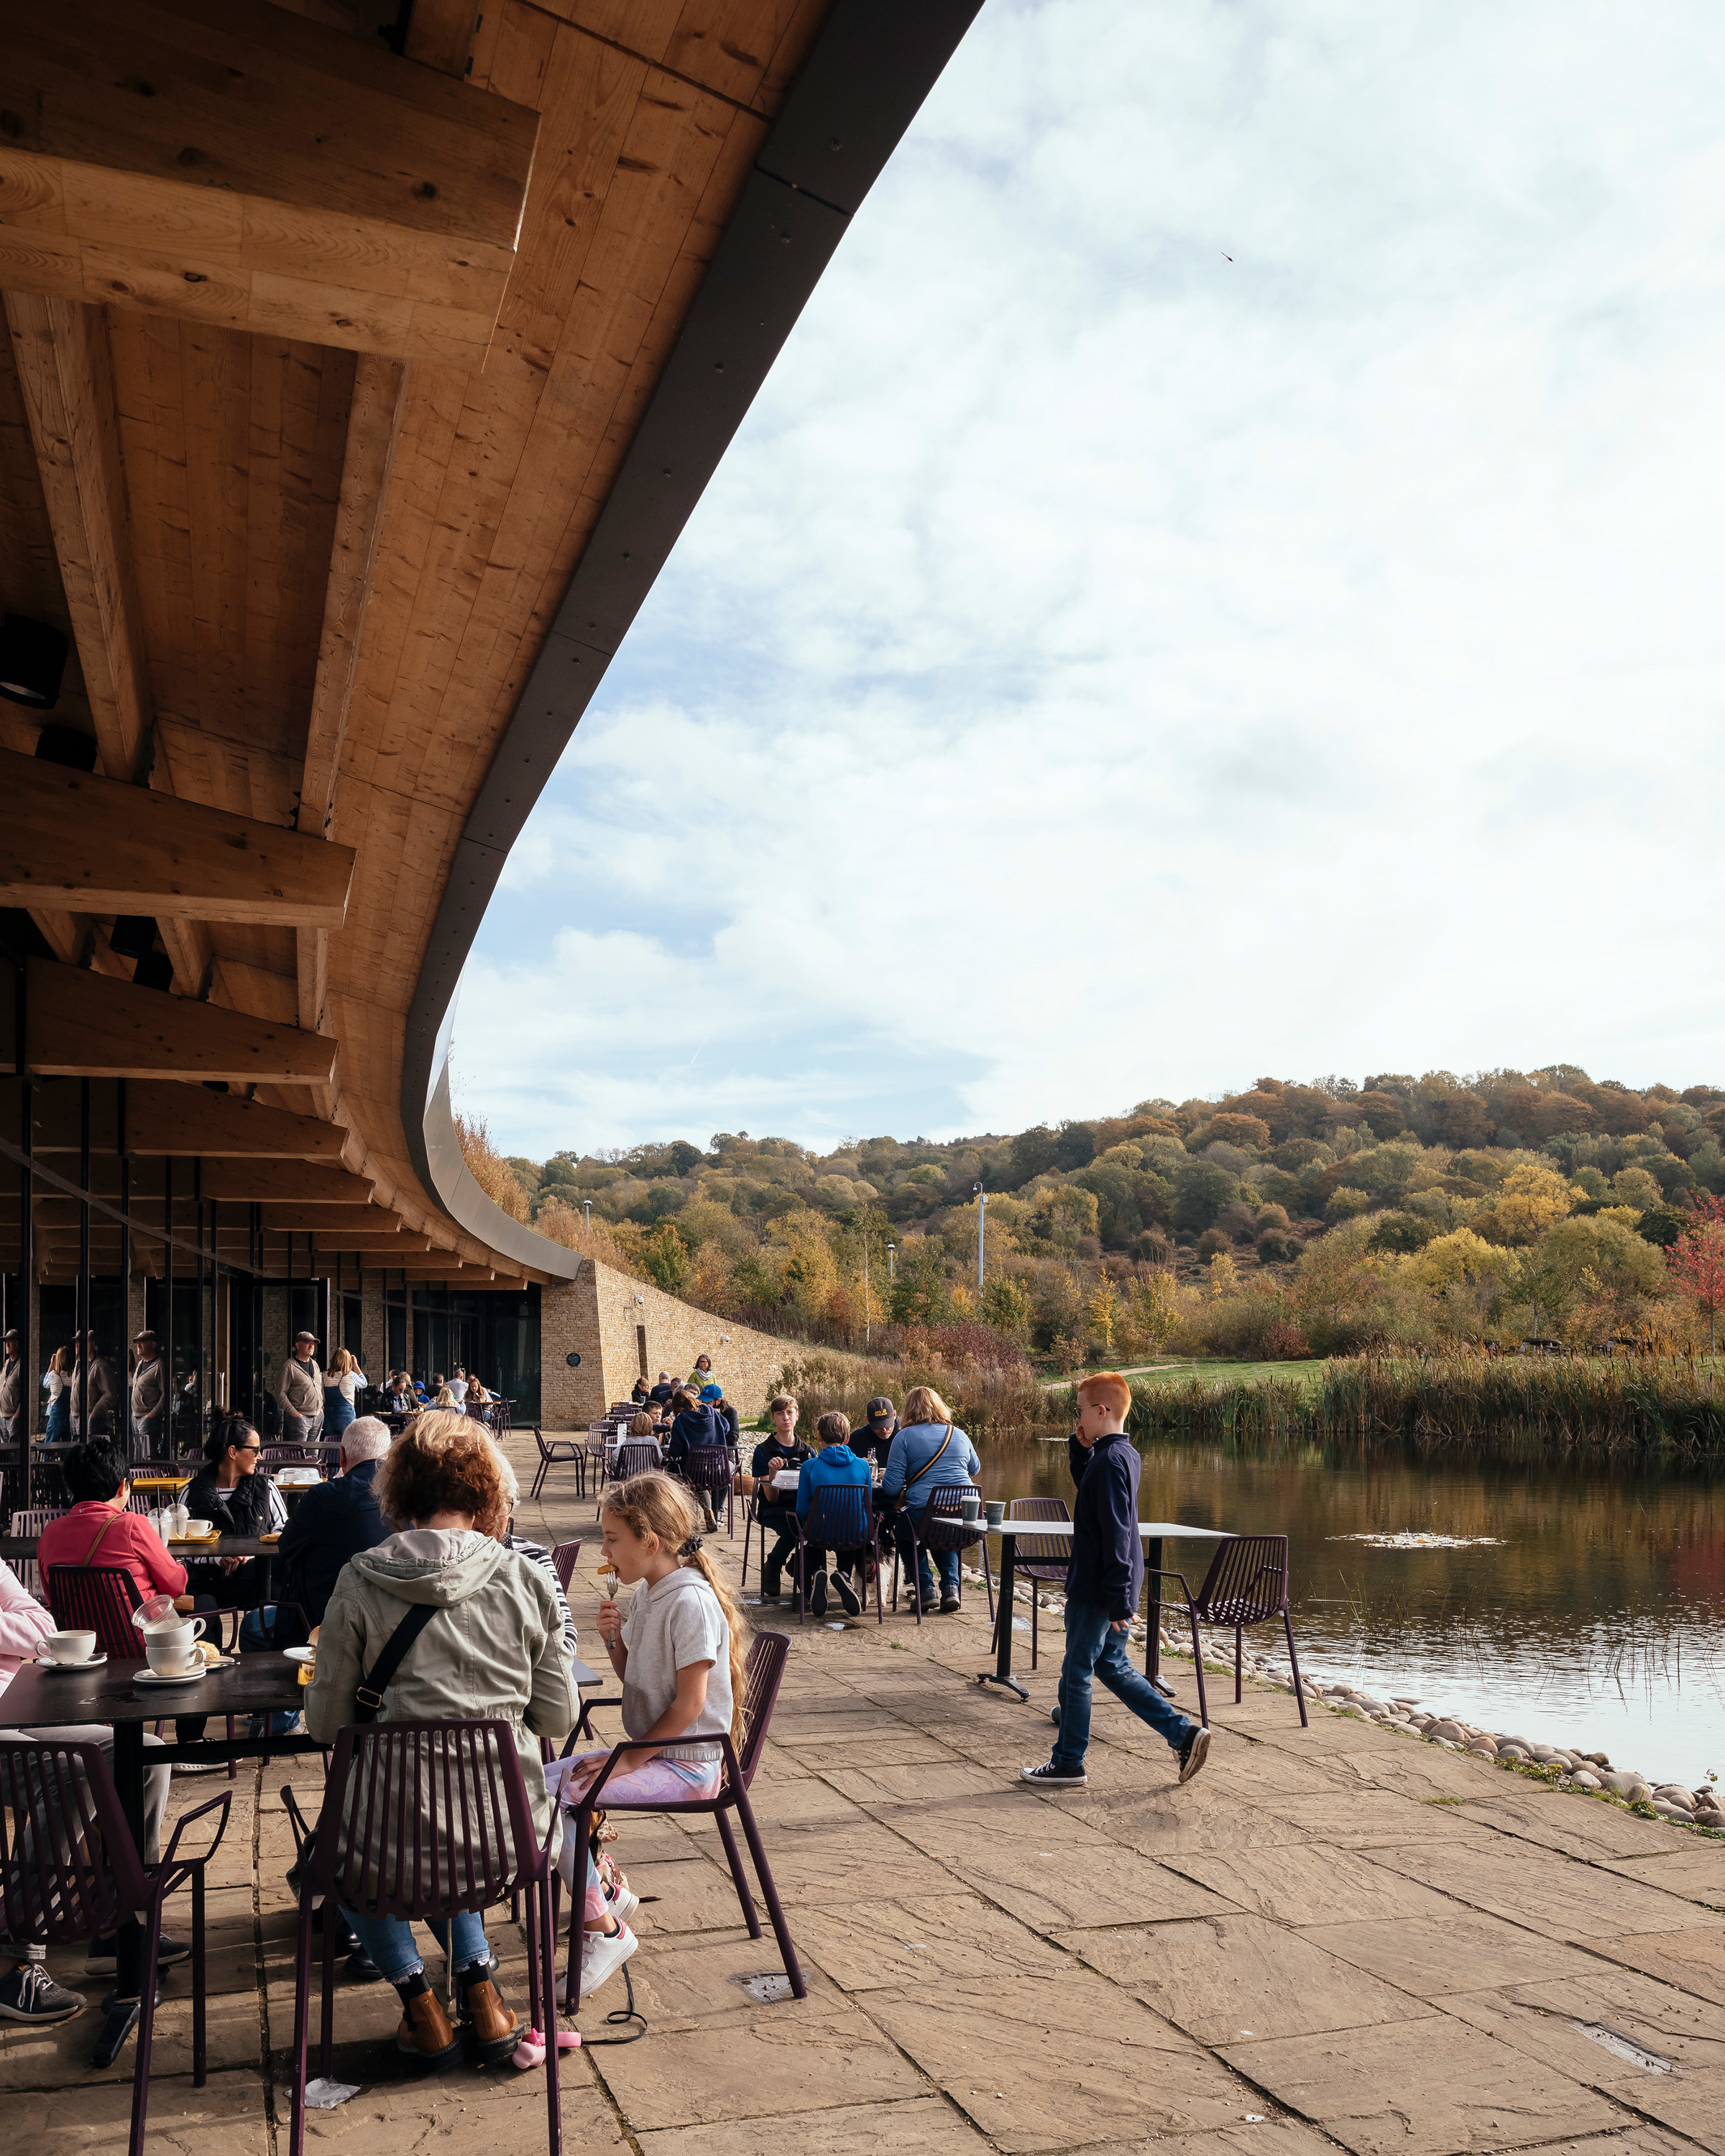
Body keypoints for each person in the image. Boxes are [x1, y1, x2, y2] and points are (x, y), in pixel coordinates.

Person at [305, 1411, 579, 2067]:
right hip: (505, 1842)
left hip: (391, 1842)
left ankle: (421, 2005)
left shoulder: (359, 1578)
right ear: (487, 1492)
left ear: (397, 1492)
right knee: (448, 1822)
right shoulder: (525, 1578)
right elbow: (559, 1718)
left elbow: (324, 1726)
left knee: (348, 1846)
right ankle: (481, 1992)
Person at [550, 1473, 745, 2000]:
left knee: (561, 1796)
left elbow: (690, 1704)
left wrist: (628, 1761)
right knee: (537, 1781)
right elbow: (642, 1680)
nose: (605, 1550)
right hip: (659, 1756)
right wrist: (614, 1641)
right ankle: (607, 1893)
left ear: (650, 1542)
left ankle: (604, 1930)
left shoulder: (689, 1602)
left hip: (690, 1766)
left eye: (613, 1539)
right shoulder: (653, 1594)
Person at [0, 1556, 175, 2024]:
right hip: (12, 1721)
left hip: (16, 1710)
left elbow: (41, 1627)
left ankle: (116, 1923)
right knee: (72, 1772)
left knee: (144, 1754)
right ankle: (12, 1959)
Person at [1021, 1370, 1209, 1791]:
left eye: (1080, 1411)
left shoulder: (1108, 1462)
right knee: (1113, 1666)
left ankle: (1068, 1763)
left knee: (1076, 1673)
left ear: (1101, 1410)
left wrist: (1120, 1598)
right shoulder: (1120, 1455)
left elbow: (1119, 1531)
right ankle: (1183, 1734)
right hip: (1111, 1583)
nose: (1077, 1418)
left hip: (1098, 1586)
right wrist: (1078, 1448)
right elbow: (1093, 1498)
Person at [272, 1415, 390, 1644]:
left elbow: (287, 1549)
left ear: (342, 1455)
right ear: (388, 1457)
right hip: (390, 1630)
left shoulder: (323, 1496)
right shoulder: (409, 1499)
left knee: (250, 1628)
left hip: (321, 1626)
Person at [881, 1384, 981, 1615]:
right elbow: (975, 1468)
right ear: (939, 1407)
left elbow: (892, 1488)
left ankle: (926, 1589)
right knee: (945, 1530)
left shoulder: (904, 1437)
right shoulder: (958, 1433)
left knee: (904, 1529)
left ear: (908, 1410)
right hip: (968, 1518)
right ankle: (951, 1588)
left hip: (927, 1515)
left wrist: (893, 1474)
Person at [183, 1419, 287, 1612]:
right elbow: (177, 1544)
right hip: (205, 1584)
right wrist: (218, 1558)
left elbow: (283, 1532)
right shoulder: (192, 1492)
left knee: (278, 1589)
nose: (260, 1457)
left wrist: (248, 1556)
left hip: (255, 1579)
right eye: (255, 1450)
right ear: (233, 1452)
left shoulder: (266, 1488)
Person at [795, 1411, 873, 1616]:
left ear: (819, 1436)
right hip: (855, 1535)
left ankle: (817, 1572)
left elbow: (802, 1509)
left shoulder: (809, 1467)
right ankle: (844, 1574)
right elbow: (868, 1505)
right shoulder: (863, 1466)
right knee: (851, 1527)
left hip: (820, 1534)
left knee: (810, 1530)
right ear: (847, 1438)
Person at [748, 1393, 809, 1603]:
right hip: (773, 1508)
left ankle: (802, 1565)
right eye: (780, 1414)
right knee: (794, 1530)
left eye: (790, 1412)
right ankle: (773, 1565)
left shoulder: (807, 1451)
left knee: (820, 1526)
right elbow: (770, 1498)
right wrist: (773, 1475)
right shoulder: (763, 1450)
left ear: (797, 1415)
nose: (786, 1417)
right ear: (773, 1418)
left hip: (800, 1505)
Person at [664, 1390, 720, 1532]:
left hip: (692, 1471)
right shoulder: (710, 1410)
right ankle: (709, 1512)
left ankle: (692, 1516)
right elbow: (725, 1428)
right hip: (717, 1468)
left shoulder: (681, 1420)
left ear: (677, 1408)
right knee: (698, 1479)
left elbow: (675, 1451)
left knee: (676, 1473)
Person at [277, 1331, 323, 1443]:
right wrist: (294, 1413)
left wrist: (321, 1409)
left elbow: (320, 1387)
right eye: (308, 1343)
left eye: (313, 1343)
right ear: (298, 1345)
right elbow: (280, 1394)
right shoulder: (289, 1366)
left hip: (317, 1416)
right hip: (300, 1418)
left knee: (313, 1456)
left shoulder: (315, 1365)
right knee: (299, 1456)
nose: (312, 1346)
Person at [69, 1334, 119, 1439]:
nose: (78, 1345)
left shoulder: (100, 1366)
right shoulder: (80, 1364)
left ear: (92, 1343)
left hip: (89, 1417)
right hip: (75, 1417)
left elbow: (110, 1395)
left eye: (81, 1342)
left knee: (89, 1450)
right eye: (77, 1342)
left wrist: (94, 1414)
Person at [129, 1330, 165, 1457]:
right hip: (135, 1416)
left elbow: (166, 1394)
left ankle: (152, 1477)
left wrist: (152, 1414)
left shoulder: (159, 1365)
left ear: (152, 1344)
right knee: (138, 1454)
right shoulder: (140, 1364)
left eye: (142, 1342)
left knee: (149, 1454)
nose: (138, 1345)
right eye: (137, 1342)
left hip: (147, 1417)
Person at [323, 1347, 367, 1439]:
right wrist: (356, 1365)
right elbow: (364, 1384)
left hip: (328, 1414)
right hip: (345, 1413)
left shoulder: (323, 1375)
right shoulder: (350, 1375)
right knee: (349, 1443)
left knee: (331, 1444)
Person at [850, 1396, 898, 1468]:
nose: (884, 1429)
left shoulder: (905, 1434)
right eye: (879, 1426)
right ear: (868, 1420)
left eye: (888, 1424)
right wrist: (858, 1465)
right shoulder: (856, 1439)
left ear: (894, 1415)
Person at [42, 1345, 73, 1444]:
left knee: (49, 1445)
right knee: (67, 1446)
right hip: (69, 1414)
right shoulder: (73, 1374)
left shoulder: (54, 1374)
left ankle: (46, 1460)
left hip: (56, 1414)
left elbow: (45, 1384)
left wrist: (51, 1365)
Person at [0, 1328, 24, 1444]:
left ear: (17, 1343)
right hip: (2, 1416)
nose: (7, 1344)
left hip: (13, 1417)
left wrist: (17, 1415)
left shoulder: (21, 1365)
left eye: (10, 1341)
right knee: (5, 1453)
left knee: (15, 1451)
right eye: (6, 1342)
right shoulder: (6, 1364)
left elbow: (25, 1394)